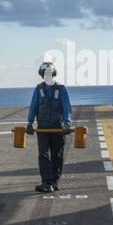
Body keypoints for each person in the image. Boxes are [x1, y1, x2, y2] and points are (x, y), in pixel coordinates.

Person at [26, 61, 72, 193]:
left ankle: (54, 181)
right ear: (42, 75)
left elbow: (66, 107)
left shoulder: (61, 89)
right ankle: (46, 182)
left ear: (53, 74)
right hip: (43, 129)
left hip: (58, 128)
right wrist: (30, 122)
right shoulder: (38, 89)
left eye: (49, 74)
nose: (47, 76)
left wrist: (67, 123)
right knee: (43, 155)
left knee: (57, 155)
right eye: (45, 74)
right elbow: (34, 106)